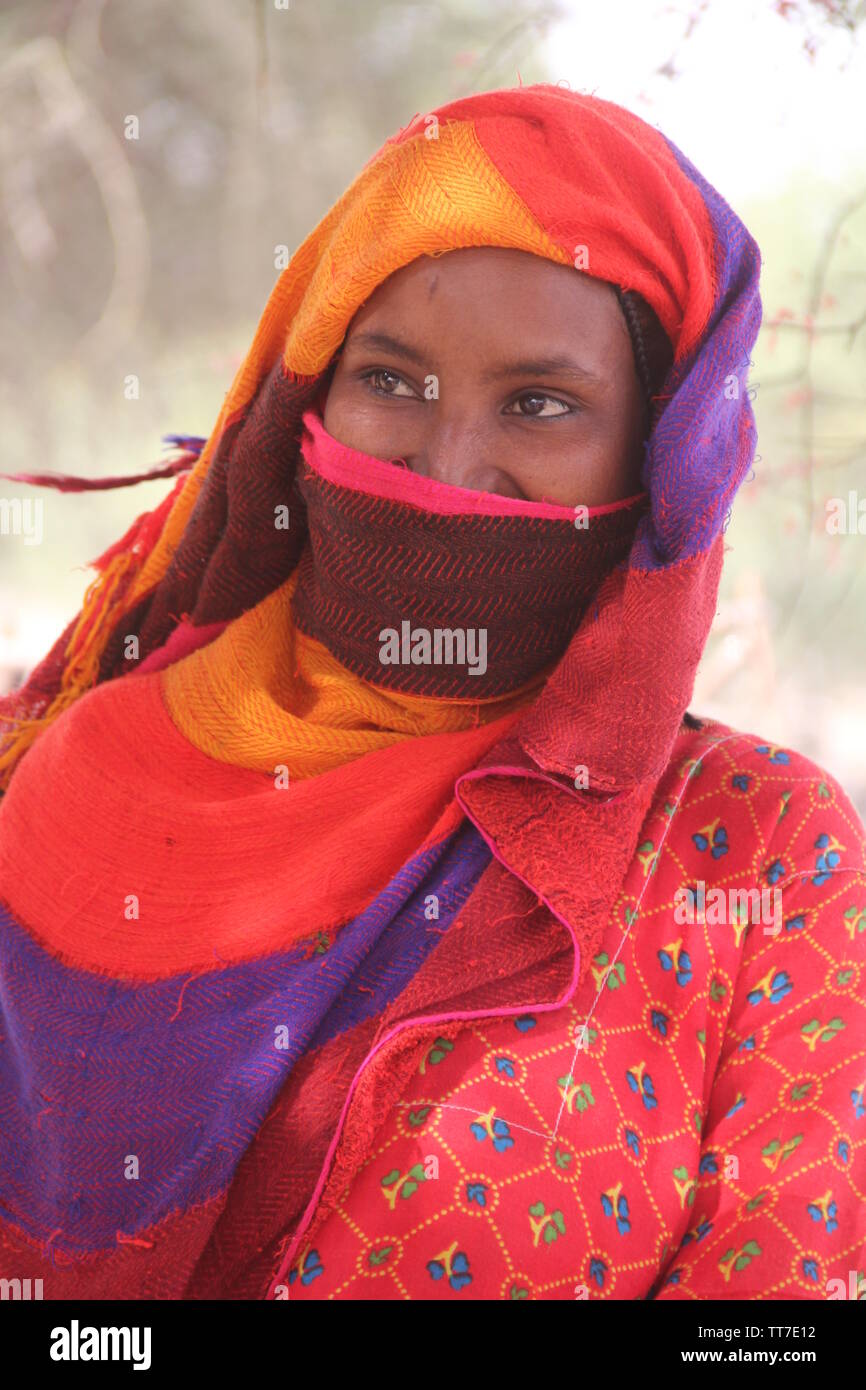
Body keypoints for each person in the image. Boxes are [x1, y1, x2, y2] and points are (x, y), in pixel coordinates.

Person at [0, 83, 863, 1303]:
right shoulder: (66, 770)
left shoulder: (753, 854)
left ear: (657, 460)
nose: (444, 465)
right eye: (392, 381)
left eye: (540, 404)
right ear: (303, 406)